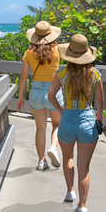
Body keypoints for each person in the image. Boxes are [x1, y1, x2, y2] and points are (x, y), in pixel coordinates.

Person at [48, 34, 104, 212]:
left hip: (67, 120)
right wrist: (99, 115)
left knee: (68, 158)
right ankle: (82, 206)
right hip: (88, 120)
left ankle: (70, 191)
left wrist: (62, 110)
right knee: (84, 167)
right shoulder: (95, 74)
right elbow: (100, 100)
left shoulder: (62, 74)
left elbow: (50, 95)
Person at [17, 21, 64, 171]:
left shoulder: (28, 53)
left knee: (40, 128)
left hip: (36, 91)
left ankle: (41, 161)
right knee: (57, 124)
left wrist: (20, 97)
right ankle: (53, 148)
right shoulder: (58, 50)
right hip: (54, 92)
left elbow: (24, 77)